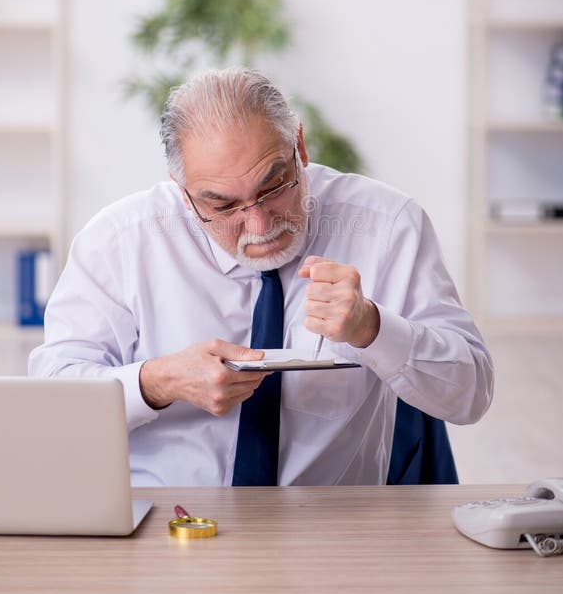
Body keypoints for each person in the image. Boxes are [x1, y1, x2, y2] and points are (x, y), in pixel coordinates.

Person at [29, 68, 493, 486]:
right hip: (168, 523)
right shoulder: (119, 241)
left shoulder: (387, 225)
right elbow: (51, 403)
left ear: (301, 148)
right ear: (181, 189)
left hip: (333, 532)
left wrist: (373, 328)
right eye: (223, 205)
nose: (259, 223)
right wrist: (158, 381)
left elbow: (470, 395)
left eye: (274, 186)